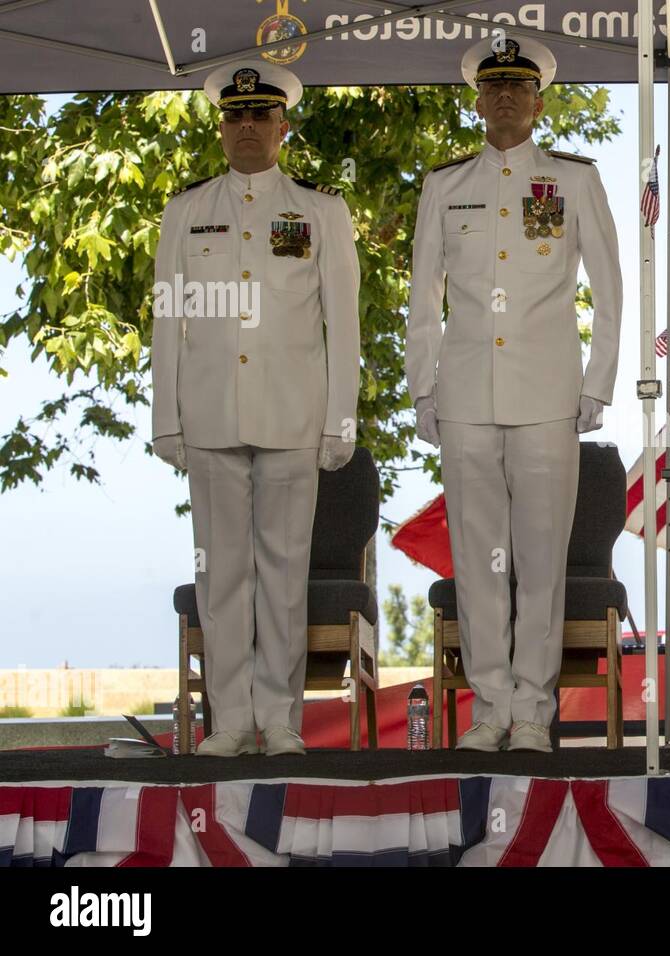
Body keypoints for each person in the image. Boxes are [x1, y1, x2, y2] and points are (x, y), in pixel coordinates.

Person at [406, 34, 622, 753]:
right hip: (465, 393)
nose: (505, 97)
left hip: (547, 396)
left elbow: (610, 289)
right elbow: (423, 298)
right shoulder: (446, 185)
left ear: (538, 100)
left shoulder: (575, 180)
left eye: (518, 87)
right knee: (478, 559)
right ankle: (487, 706)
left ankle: (533, 707)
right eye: (493, 87)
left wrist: (598, 382)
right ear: (476, 101)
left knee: (539, 559)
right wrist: (421, 390)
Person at [151, 61, 361, 756]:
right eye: (235, 117)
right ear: (220, 128)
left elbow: (343, 322)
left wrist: (341, 418)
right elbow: (168, 318)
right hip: (210, 414)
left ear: (283, 127)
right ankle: (231, 720)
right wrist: (166, 417)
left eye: (260, 116)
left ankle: (279, 720)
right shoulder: (185, 210)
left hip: (293, 416)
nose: (247, 127)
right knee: (221, 572)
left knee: (284, 571)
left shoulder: (320, 211)